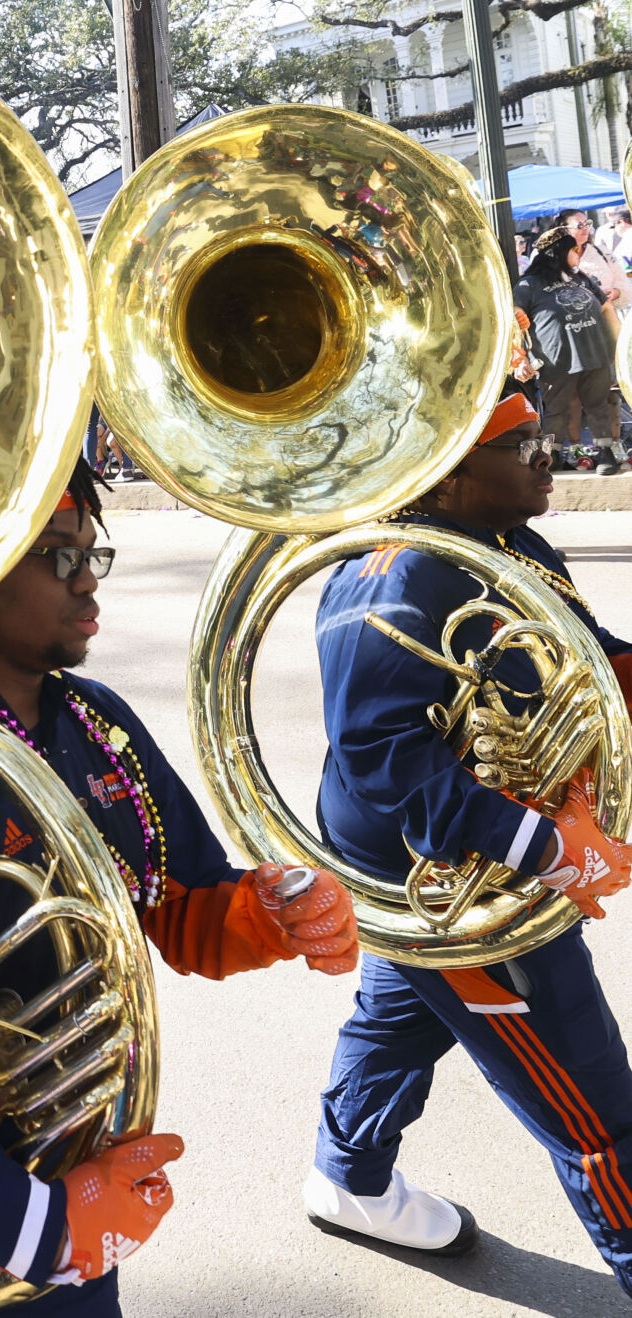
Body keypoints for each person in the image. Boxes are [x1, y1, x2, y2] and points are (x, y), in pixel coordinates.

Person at [0, 460, 359, 1315]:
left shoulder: (96, 720)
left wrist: (271, 913)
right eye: (56, 556)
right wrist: (37, 1227)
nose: (87, 579)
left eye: (92, 552)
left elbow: (176, 898)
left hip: (78, 1156)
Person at [301, 383, 632, 1294]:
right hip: (452, 876)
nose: (546, 453)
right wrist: (547, 847)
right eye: (519, 442)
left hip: (471, 864)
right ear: (448, 476)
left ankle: (348, 1177)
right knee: (595, 1106)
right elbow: (385, 759)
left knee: (401, 1016)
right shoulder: (392, 573)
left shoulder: (510, 543)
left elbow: (590, 663)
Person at [516, 225, 619, 468]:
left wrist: (620, 348)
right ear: (557, 252)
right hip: (555, 359)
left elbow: (607, 309)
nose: (579, 253)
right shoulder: (528, 284)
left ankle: (605, 452)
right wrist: (519, 357)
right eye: (574, 248)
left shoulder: (581, 278)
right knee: (557, 409)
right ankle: (552, 456)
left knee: (598, 404)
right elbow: (515, 317)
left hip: (595, 353)